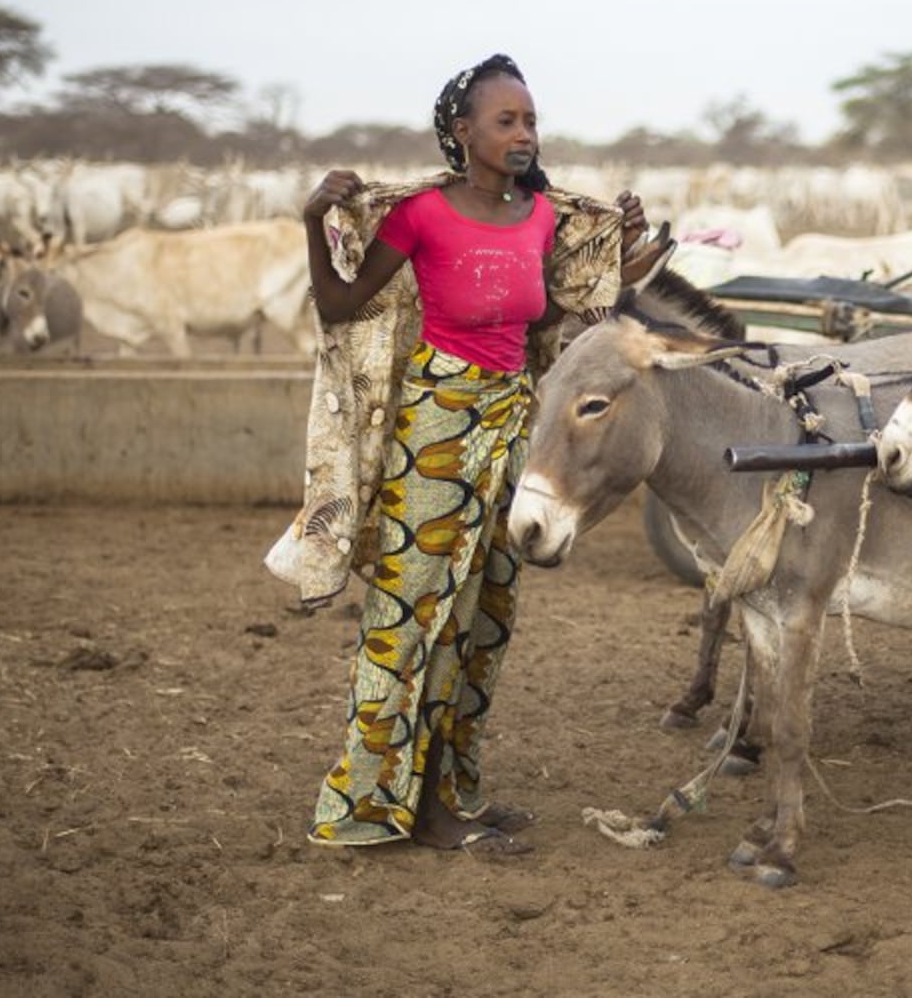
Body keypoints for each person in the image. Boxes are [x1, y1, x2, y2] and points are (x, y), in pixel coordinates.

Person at [268, 53, 659, 856]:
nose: (524, 134)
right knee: (411, 619)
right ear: (462, 132)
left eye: (531, 121)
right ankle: (375, 804)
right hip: (436, 430)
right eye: (506, 120)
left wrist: (623, 259)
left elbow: (545, 313)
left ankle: (450, 792)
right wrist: (313, 222)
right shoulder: (420, 217)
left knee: (484, 620)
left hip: (515, 424)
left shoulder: (543, 215)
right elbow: (343, 305)